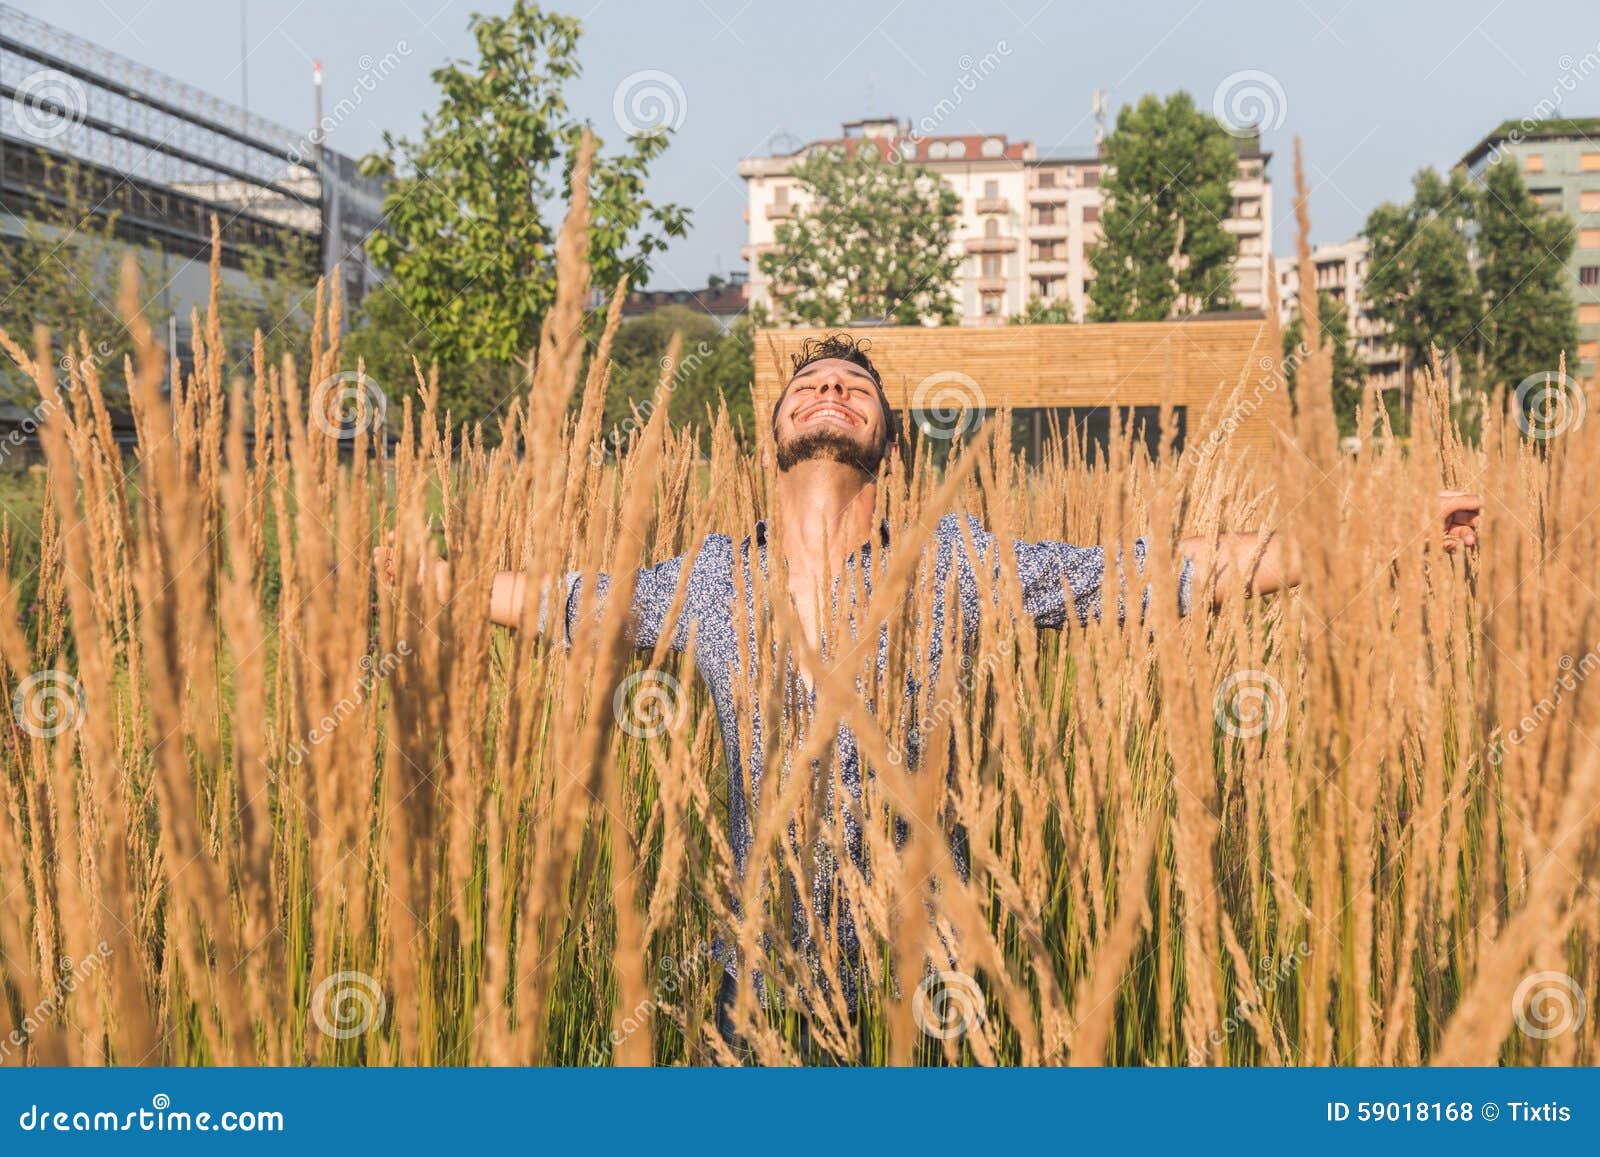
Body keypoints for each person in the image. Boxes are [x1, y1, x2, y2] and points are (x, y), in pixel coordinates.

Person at [393, 333, 1482, 1057]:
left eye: (854, 388)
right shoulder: (713, 579)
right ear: (772, 436)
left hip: (931, 978)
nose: (830, 392)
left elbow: (1158, 570)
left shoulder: (952, 560)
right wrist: (412, 576)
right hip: (755, 980)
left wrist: (1371, 532)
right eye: (809, 385)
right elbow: (552, 600)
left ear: (887, 442)